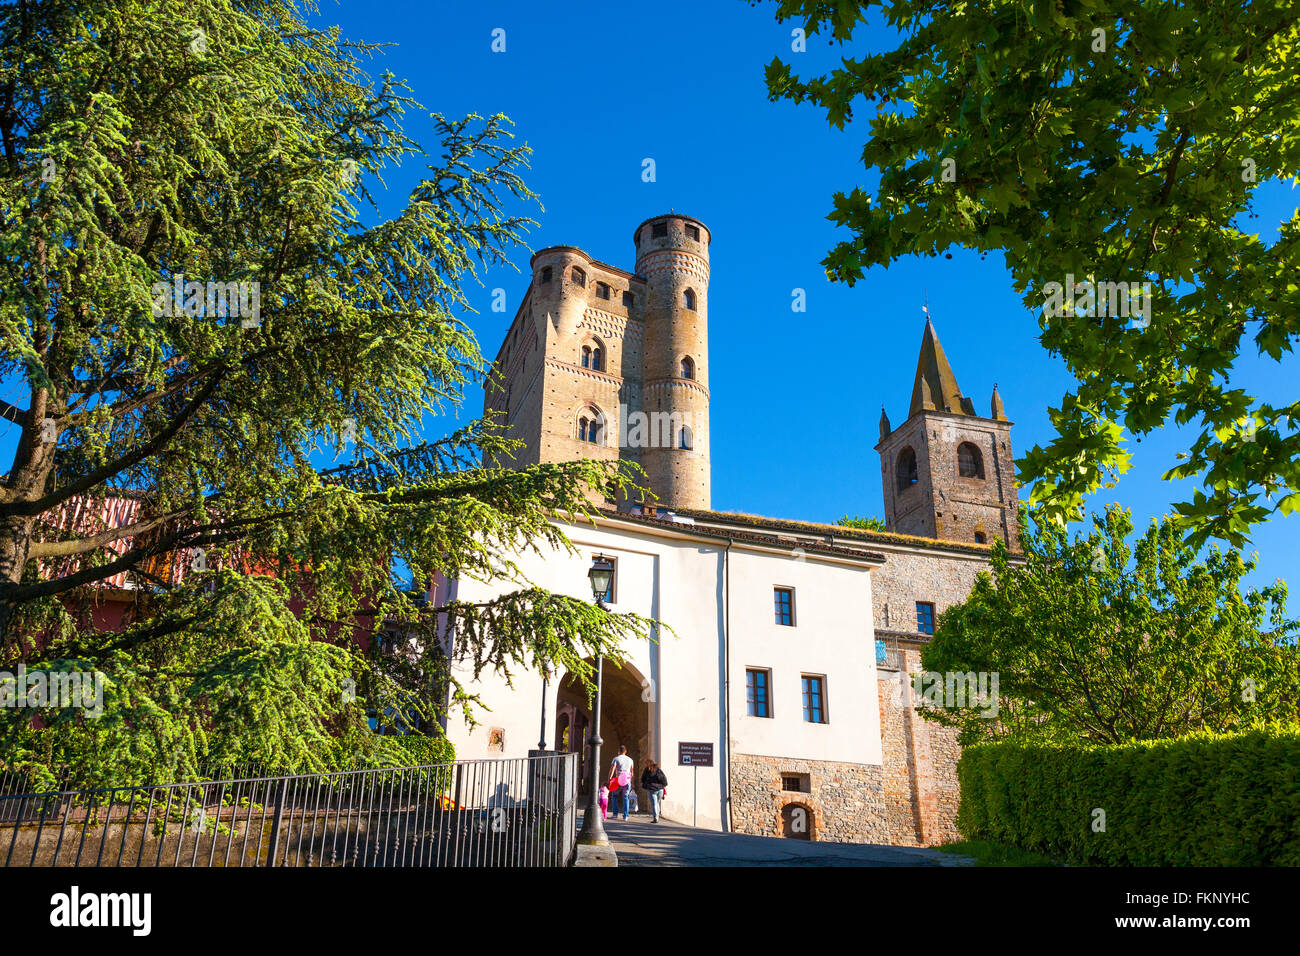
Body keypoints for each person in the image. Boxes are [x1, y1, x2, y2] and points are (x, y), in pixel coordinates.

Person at [610, 745, 634, 821]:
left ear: (618, 751)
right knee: (625, 797)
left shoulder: (616, 759)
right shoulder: (630, 760)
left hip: (618, 780)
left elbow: (612, 770)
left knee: (614, 796)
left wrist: (610, 779)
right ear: (625, 751)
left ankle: (615, 814)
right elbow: (632, 772)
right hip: (627, 781)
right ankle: (626, 816)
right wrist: (632, 782)